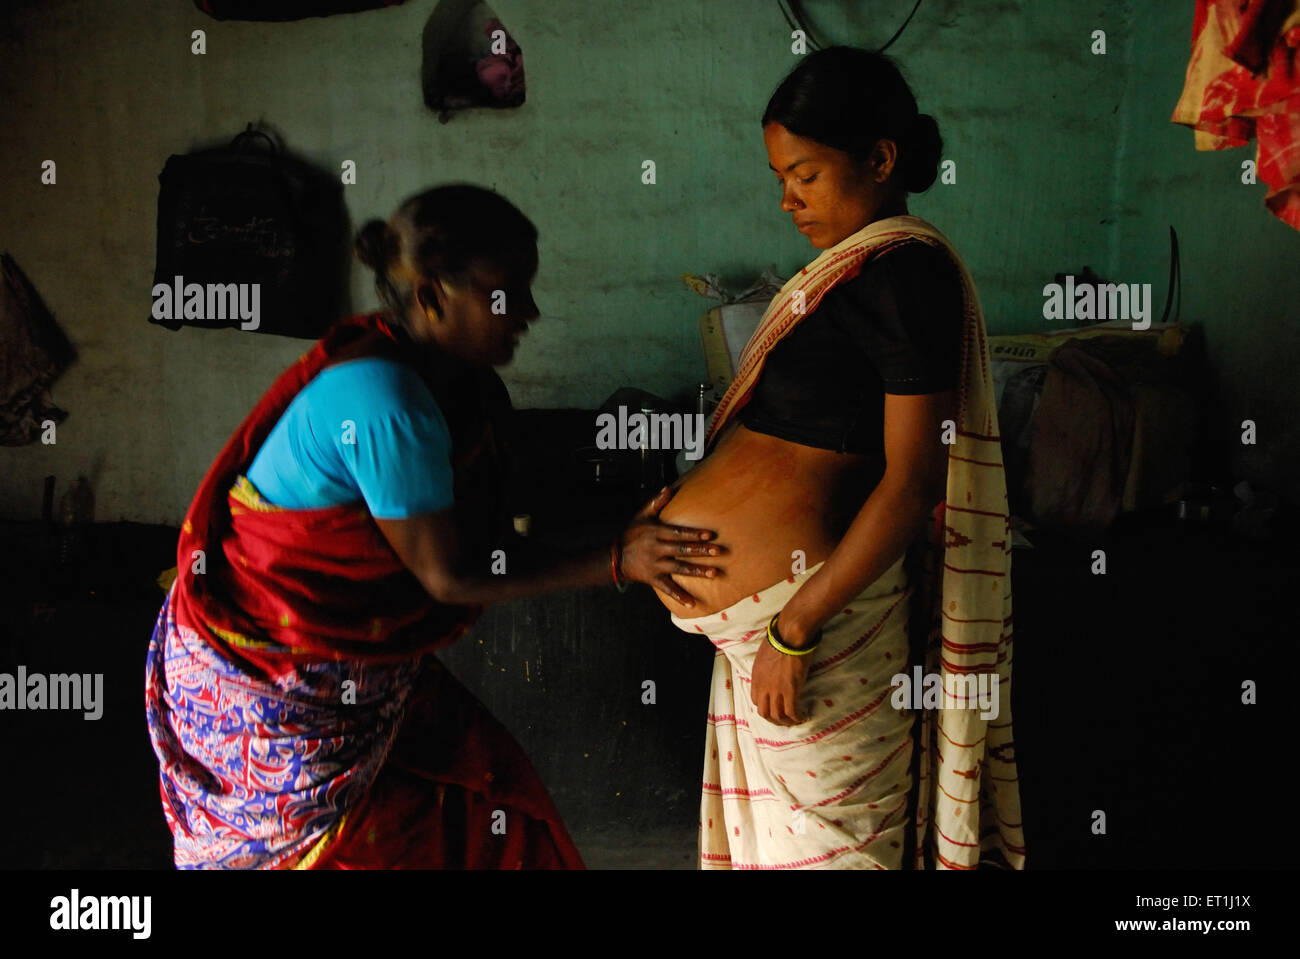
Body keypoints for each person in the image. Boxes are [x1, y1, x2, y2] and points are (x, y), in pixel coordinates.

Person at [145, 184, 725, 869]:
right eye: (506, 294)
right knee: (361, 846)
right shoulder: (384, 400)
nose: (529, 312)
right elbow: (450, 573)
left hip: (353, 673)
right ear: (430, 296)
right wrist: (617, 559)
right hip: (268, 677)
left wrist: (630, 521)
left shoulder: (466, 385)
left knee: (483, 805)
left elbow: (494, 513)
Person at [653, 47, 1026, 870]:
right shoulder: (851, 277)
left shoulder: (905, 276)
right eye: (781, 178)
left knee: (835, 854)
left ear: (880, 160)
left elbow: (912, 481)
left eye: (805, 175)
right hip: (786, 629)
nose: (787, 199)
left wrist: (794, 627)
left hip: (823, 632)